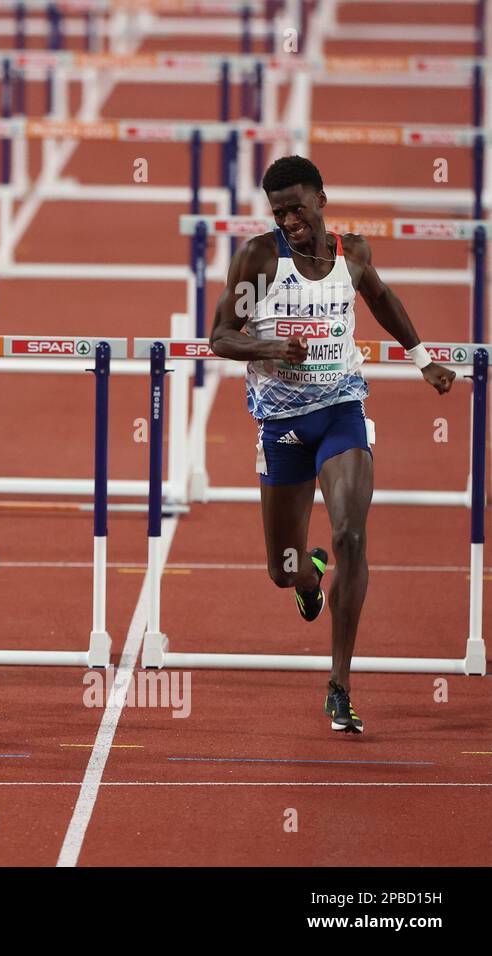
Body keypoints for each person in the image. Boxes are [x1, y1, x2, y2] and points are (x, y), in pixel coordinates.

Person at [210, 156, 455, 735]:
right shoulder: (261, 259)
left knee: (351, 532)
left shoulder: (355, 253)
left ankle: (339, 682)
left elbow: (383, 300)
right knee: (281, 568)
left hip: (342, 411)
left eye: (297, 207)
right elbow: (221, 336)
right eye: (279, 212)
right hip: (283, 426)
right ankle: (308, 578)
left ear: (322, 198)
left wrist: (424, 361)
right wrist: (268, 347)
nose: (290, 220)